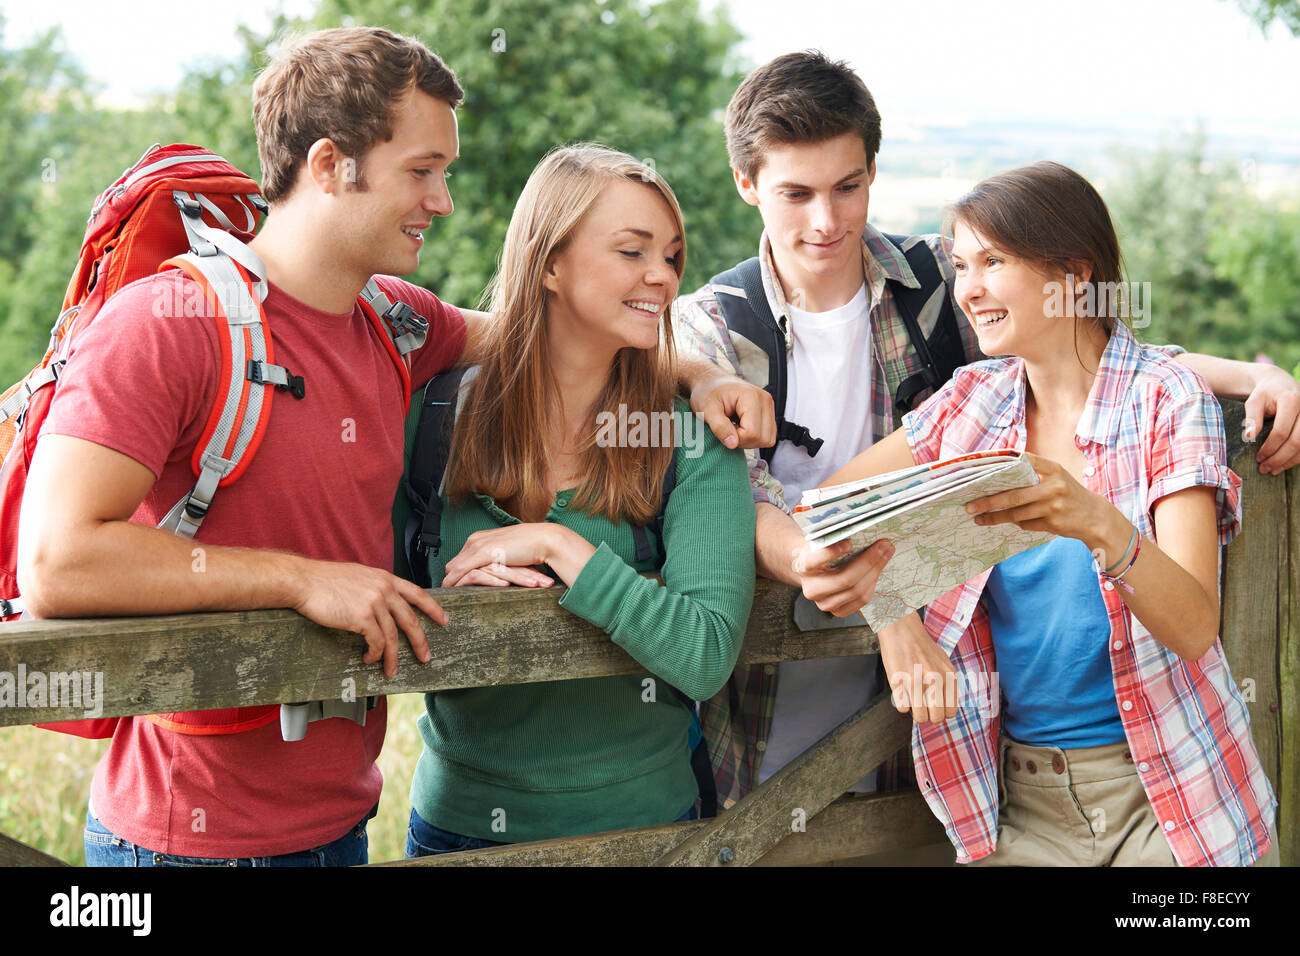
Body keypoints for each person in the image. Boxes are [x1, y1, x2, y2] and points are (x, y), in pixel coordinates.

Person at [15, 26, 764, 867]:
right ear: (331, 165)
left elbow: (547, 338)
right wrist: (302, 581)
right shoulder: (167, 324)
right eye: (421, 171)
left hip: (341, 828)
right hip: (186, 835)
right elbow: (57, 562)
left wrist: (698, 375)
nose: (442, 199)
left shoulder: (397, 322)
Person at [672, 50, 1300, 812]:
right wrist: (885, 601)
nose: (827, 220)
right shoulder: (709, 329)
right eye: (796, 194)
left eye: (848, 187)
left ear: (873, 170)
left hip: (953, 722)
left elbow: (1083, 348)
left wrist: (1246, 375)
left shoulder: (942, 281)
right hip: (772, 693)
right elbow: (746, 498)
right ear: (746, 185)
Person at [824, 161, 1276, 866]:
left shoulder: (1166, 400)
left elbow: (1192, 627)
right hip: (1017, 806)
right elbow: (828, 507)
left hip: (1174, 796)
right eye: (960, 264)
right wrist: (894, 619)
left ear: (1070, 274)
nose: (968, 290)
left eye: (994, 262)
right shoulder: (972, 402)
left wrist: (1097, 520)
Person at [398, 145, 755, 855]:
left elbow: (708, 651)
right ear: (550, 263)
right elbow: (369, 585)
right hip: (460, 831)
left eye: (672, 256)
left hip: (648, 832)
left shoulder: (693, 437)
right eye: (633, 251)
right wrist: (452, 590)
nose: (662, 275)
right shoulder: (430, 415)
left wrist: (561, 548)